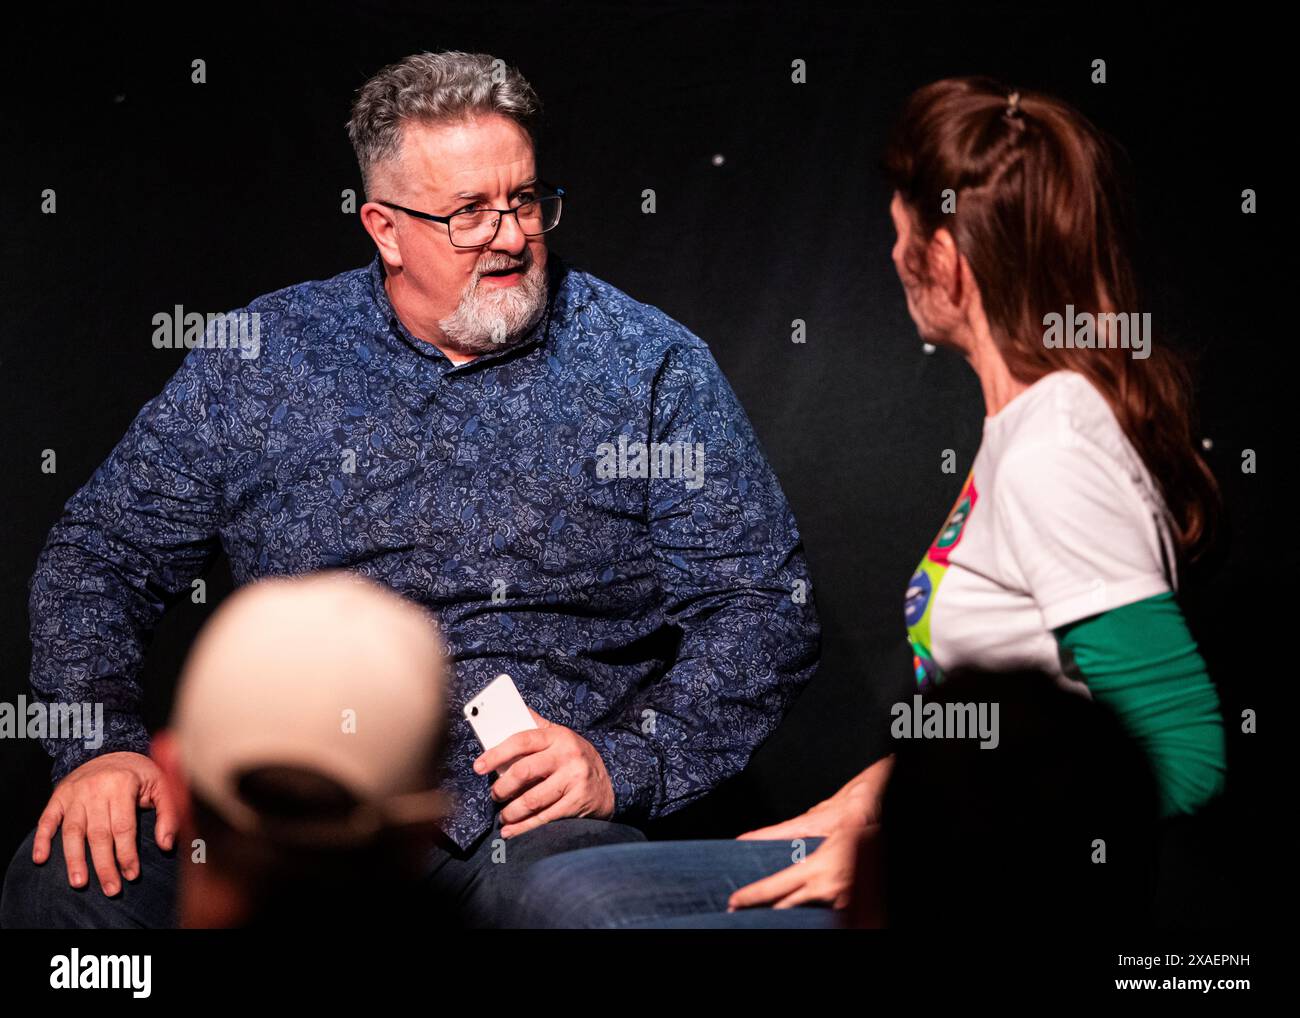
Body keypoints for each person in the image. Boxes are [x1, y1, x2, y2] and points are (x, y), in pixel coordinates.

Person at [0, 51, 820, 929]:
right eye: (469, 213)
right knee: (71, 886)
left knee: (585, 910)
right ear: (384, 229)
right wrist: (99, 749)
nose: (511, 237)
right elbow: (102, 554)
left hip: (522, 828)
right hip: (290, 799)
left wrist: (625, 763)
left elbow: (760, 603)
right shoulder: (264, 356)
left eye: (526, 200)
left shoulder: (651, 366)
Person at [510, 76, 1227, 929]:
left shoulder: (1058, 450)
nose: (892, 259)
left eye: (900, 235)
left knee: (596, 921)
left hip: (1007, 889)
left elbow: (1187, 757)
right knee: (563, 888)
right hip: (948, 840)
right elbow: (1013, 723)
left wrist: (917, 855)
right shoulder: (1024, 426)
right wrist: (865, 801)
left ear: (949, 263)